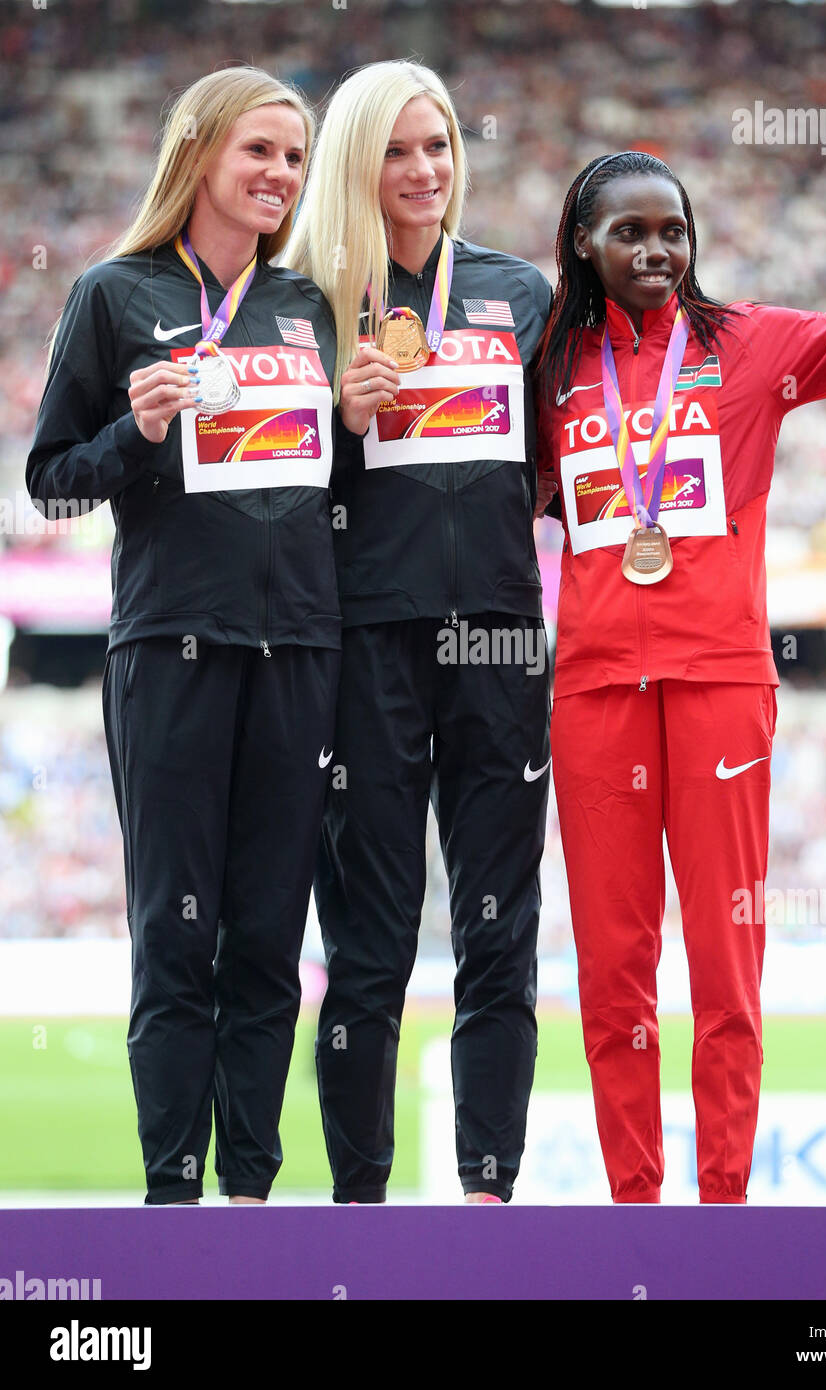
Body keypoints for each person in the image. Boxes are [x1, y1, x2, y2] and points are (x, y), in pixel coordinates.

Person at [534, 64, 826, 1203]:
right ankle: (636, 1208)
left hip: (722, 684)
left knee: (727, 968)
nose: (658, 251)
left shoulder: (753, 344)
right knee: (615, 973)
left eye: (675, 231)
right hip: (591, 693)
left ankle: (722, 1212)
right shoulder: (551, 369)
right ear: (584, 245)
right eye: (630, 232)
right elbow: (487, 500)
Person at [27, 67, 342, 1206]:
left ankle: (250, 1198)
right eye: (260, 150)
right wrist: (135, 428)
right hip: (170, 650)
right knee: (175, 936)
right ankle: (173, 1201)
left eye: (297, 158)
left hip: (302, 653)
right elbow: (51, 482)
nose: (280, 175)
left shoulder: (309, 306)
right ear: (200, 151)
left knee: (268, 942)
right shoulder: (114, 295)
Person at [282, 60, 552, 1205]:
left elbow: (560, 461)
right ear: (355, 160)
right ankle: (360, 1209)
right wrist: (337, 422)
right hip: (365, 648)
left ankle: (488, 1194)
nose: (424, 168)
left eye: (437, 144)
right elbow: (267, 495)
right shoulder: (299, 301)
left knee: (499, 941)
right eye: (396, 148)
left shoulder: (523, 291)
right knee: (371, 952)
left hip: (499, 639)